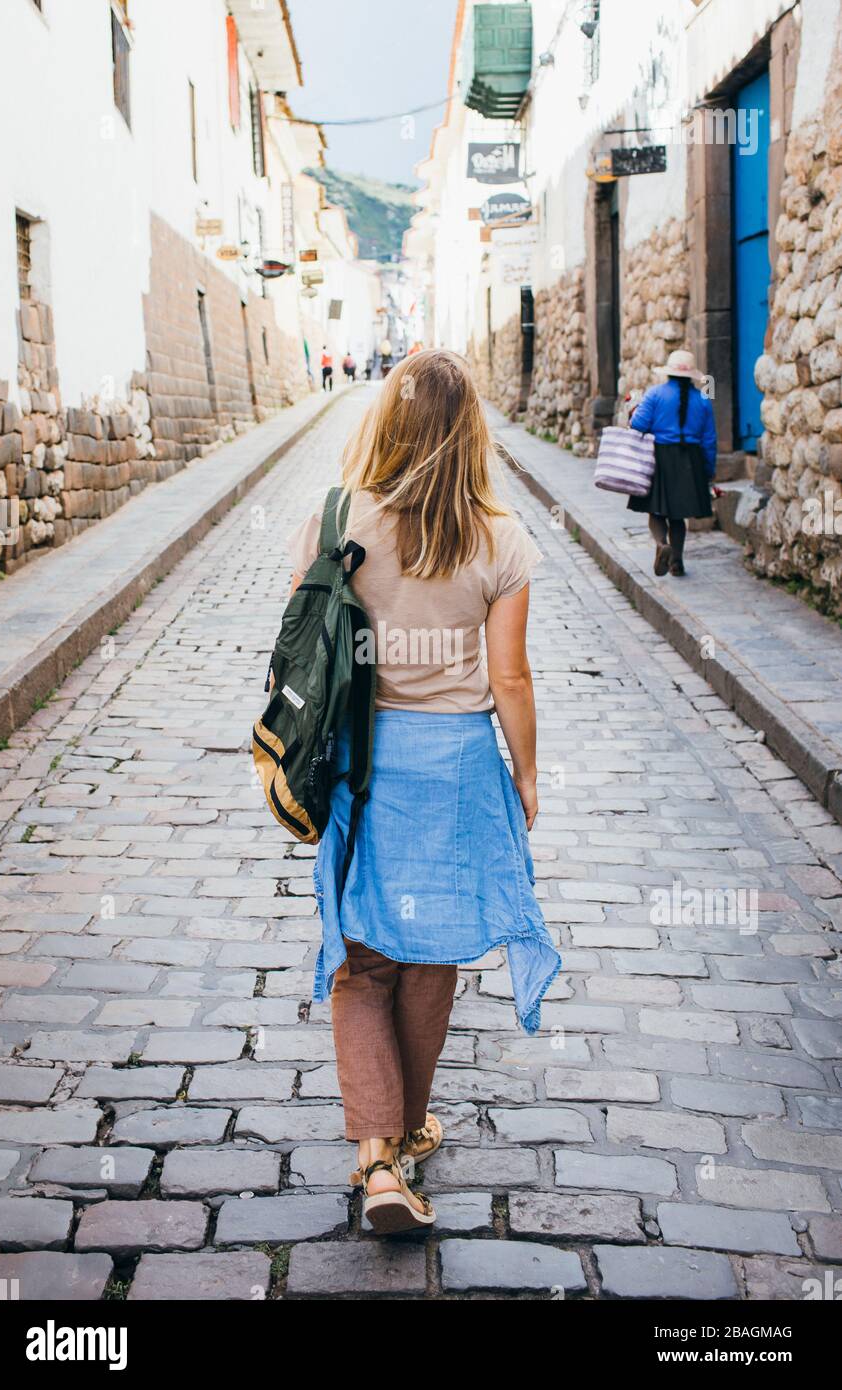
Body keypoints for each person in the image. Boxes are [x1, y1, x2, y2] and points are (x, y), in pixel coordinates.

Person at [286, 349, 560, 1233]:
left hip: (362, 764)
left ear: (388, 421)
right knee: (431, 956)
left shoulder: (335, 517)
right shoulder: (499, 537)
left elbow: (304, 649)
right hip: (455, 768)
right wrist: (525, 773)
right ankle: (404, 1131)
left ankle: (377, 1156)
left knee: (363, 961)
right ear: (469, 430)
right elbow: (510, 679)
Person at [627, 349, 716, 577]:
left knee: (656, 511)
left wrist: (634, 411)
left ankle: (661, 543)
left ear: (669, 373)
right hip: (691, 460)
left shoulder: (655, 394)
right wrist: (708, 470)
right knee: (678, 515)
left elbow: (638, 425)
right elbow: (709, 440)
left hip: (660, 457)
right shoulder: (703, 400)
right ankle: (677, 562)